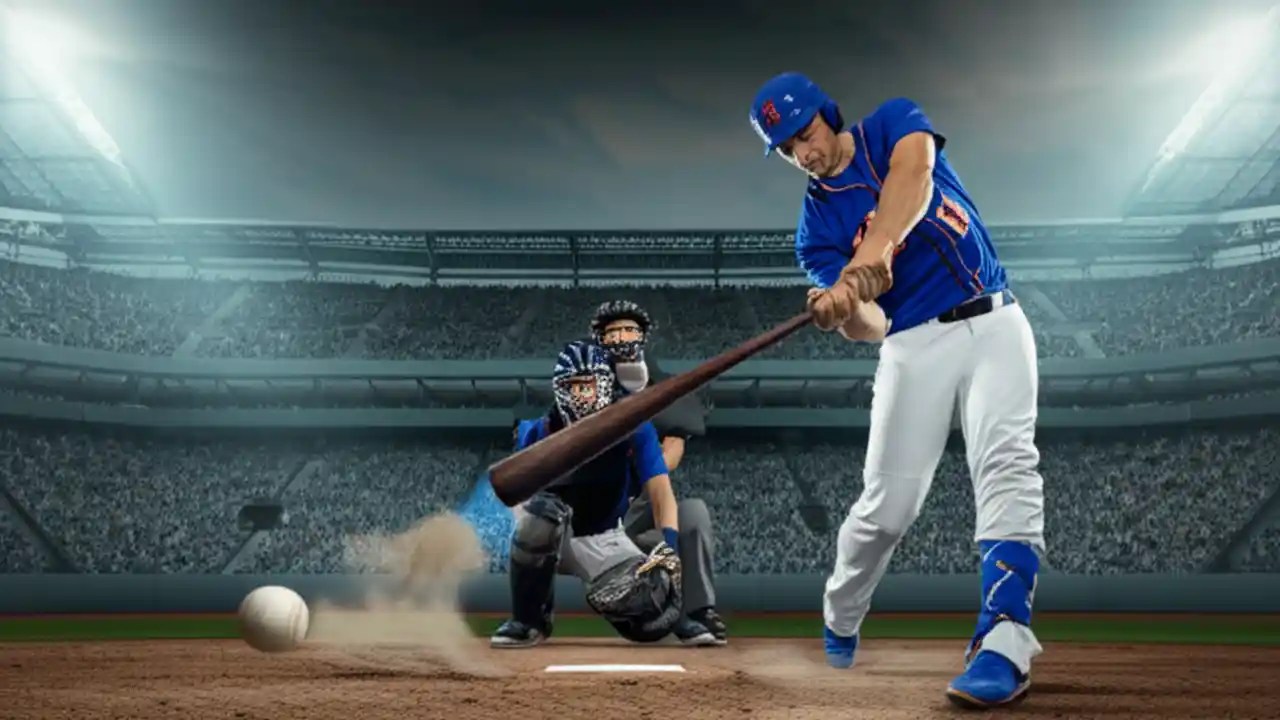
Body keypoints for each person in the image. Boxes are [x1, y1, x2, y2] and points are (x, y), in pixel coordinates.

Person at [747, 72, 1046, 709]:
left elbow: (915, 179)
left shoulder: (890, 124)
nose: (804, 153)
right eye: (786, 148)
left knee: (1007, 462)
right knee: (888, 509)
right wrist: (843, 311)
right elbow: (874, 325)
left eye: (805, 133)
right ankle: (841, 614)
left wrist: (870, 258)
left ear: (828, 114)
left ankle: (1004, 638)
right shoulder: (815, 230)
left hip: (996, 318)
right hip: (913, 345)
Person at [490, 339, 718, 648]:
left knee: (650, 617)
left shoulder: (635, 430)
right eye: (573, 386)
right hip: (552, 534)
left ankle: (677, 617)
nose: (582, 395)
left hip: (605, 537)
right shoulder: (536, 431)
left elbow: (661, 491)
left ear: (606, 385)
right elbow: (518, 499)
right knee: (539, 517)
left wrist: (670, 548)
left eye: (589, 385)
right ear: (559, 389)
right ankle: (528, 620)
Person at [589, 300, 727, 645]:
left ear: (643, 337)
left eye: (629, 329)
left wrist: (640, 468)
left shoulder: (667, 391)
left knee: (692, 513)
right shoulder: (582, 389)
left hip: (640, 506)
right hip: (591, 511)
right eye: (613, 331)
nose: (621, 336)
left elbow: (673, 451)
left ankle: (698, 613)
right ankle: (528, 618)